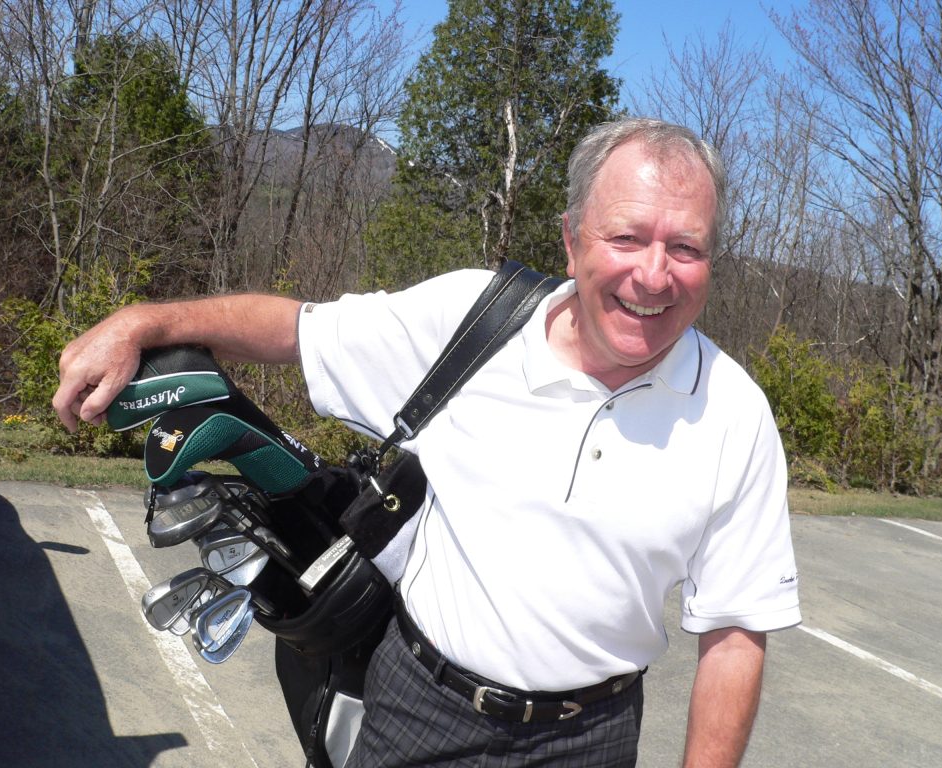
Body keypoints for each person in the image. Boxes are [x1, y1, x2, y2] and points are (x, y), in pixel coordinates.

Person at [54, 117, 800, 767]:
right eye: (627, 237)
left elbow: (736, 634)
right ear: (573, 240)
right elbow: (295, 328)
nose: (654, 273)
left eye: (686, 247)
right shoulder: (473, 322)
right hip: (420, 711)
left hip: (592, 741)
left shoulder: (733, 414)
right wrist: (144, 324)